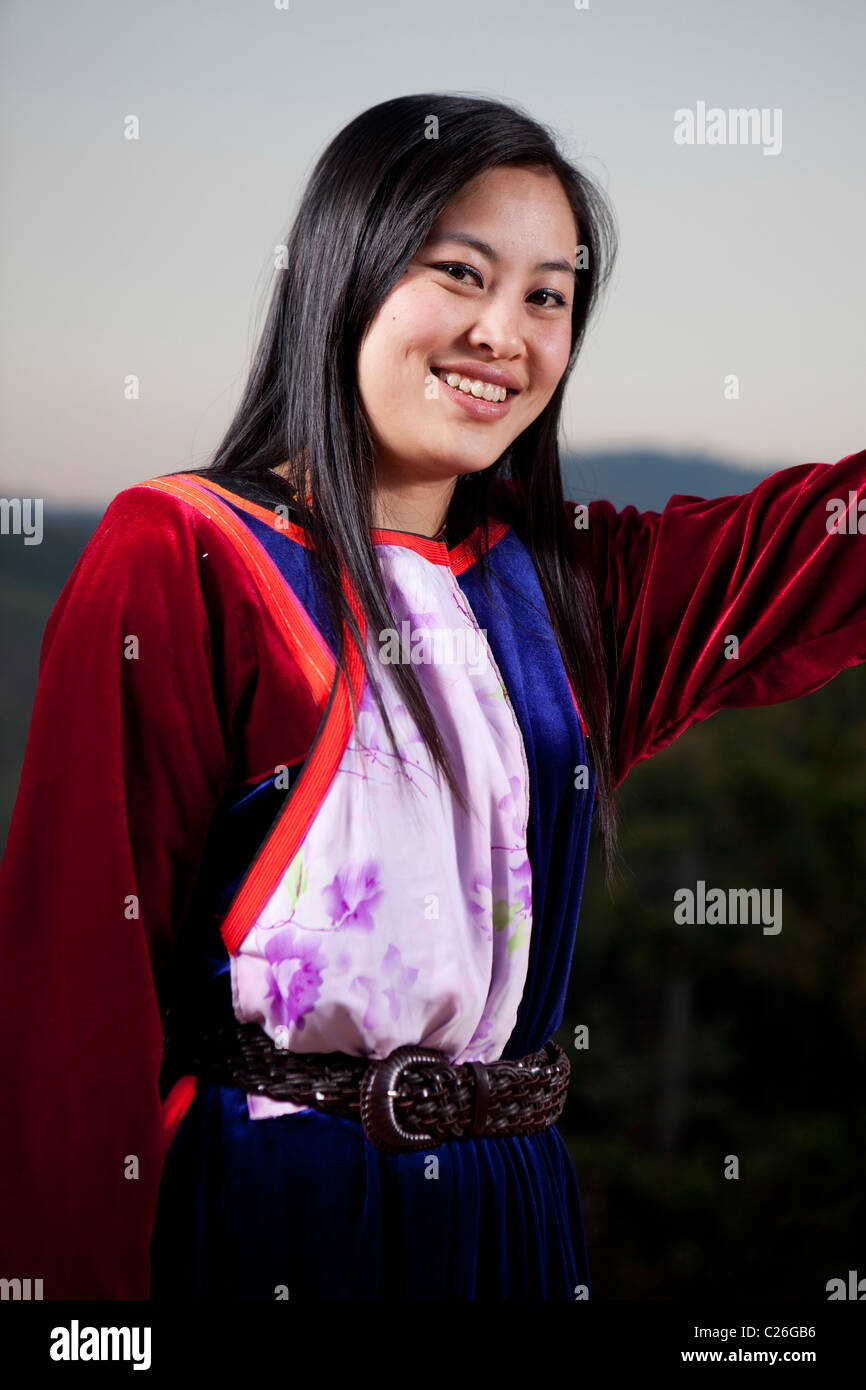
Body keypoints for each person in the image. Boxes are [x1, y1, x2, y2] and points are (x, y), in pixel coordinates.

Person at [0, 92, 863, 1301]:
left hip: (514, 1230)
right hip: (269, 1219)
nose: (503, 334)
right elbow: (73, 1003)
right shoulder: (183, 551)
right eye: (460, 273)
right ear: (342, 270)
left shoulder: (567, 591)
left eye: (546, 297)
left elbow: (829, 547)